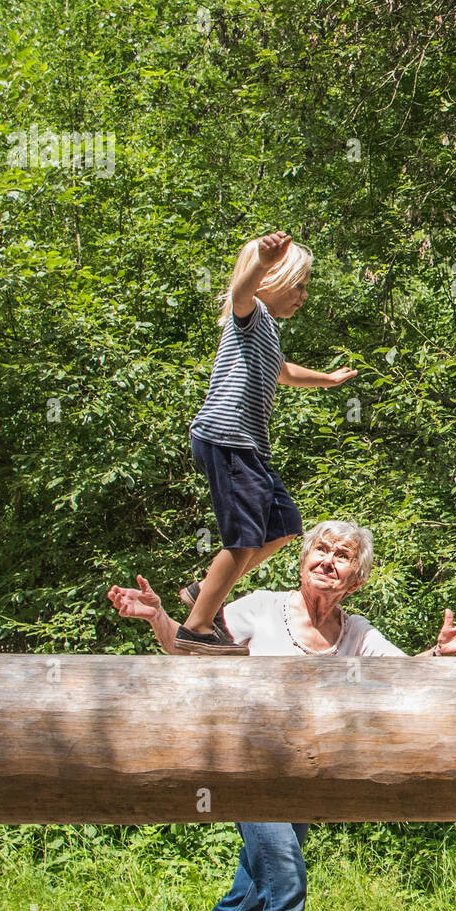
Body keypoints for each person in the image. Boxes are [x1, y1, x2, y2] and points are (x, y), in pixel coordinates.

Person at [106, 519, 456, 911]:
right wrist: (157, 616)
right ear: (304, 560)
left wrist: (438, 652)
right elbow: (189, 648)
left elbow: (402, 674)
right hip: (249, 766)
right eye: (320, 551)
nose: (327, 561)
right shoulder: (262, 607)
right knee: (286, 881)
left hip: (304, 773)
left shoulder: (356, 633)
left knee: (252, 894)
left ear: (356, 581)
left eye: (341, 557)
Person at [179, 230, 357, 654]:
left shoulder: (269, 333)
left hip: (251, 448)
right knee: (243, 539)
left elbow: (285, 372)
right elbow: (241, 291)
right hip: (227, 438)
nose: (304, 295)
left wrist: (328, 379)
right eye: (298, 285)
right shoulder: (252, 311)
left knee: (283, 527)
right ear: (268, 281)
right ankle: (198, 625)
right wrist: (261, 259)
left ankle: (205, 589)